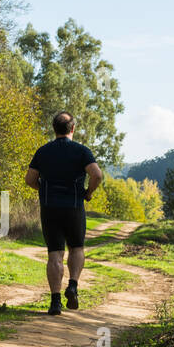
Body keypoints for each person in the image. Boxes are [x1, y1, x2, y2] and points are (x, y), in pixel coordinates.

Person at [25, 111, 103, 315]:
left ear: (54, 129)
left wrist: (42, 189)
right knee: (76, 248)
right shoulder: (81, 151)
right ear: (73, 128)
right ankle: (73, 285)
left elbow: (29, 179)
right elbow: (97, 175)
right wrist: (88, 192)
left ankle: (55, 301)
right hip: (74, 207)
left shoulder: (43, 152)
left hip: (50, 208)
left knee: (54, 254)